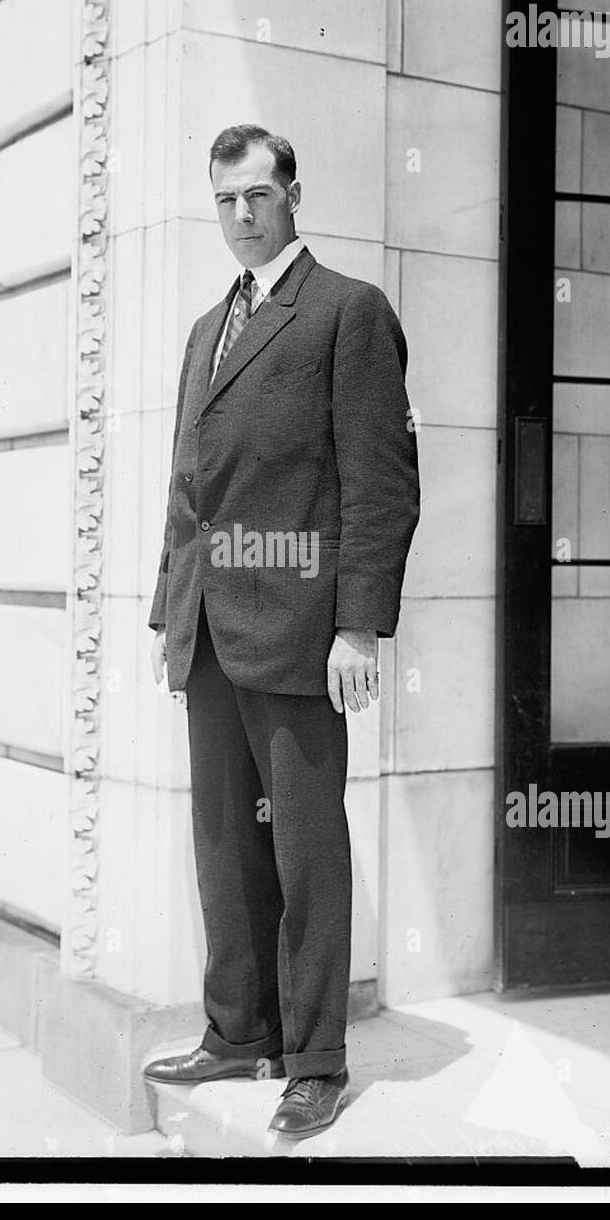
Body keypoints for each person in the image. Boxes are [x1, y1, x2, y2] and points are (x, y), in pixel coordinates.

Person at [144, 124, 420, 1138]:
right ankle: (237, 1028)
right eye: (222, 201)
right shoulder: (204, 330)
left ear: (293, 194)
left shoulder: (348, 313)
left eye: (256, 196)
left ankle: (314, 1058)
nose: (239, 217)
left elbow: (381, 486)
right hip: (210, 628)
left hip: (303, 632)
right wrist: (167, 611)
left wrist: (359, 629)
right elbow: (189, 492)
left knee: (306, 850)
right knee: (223, 842)